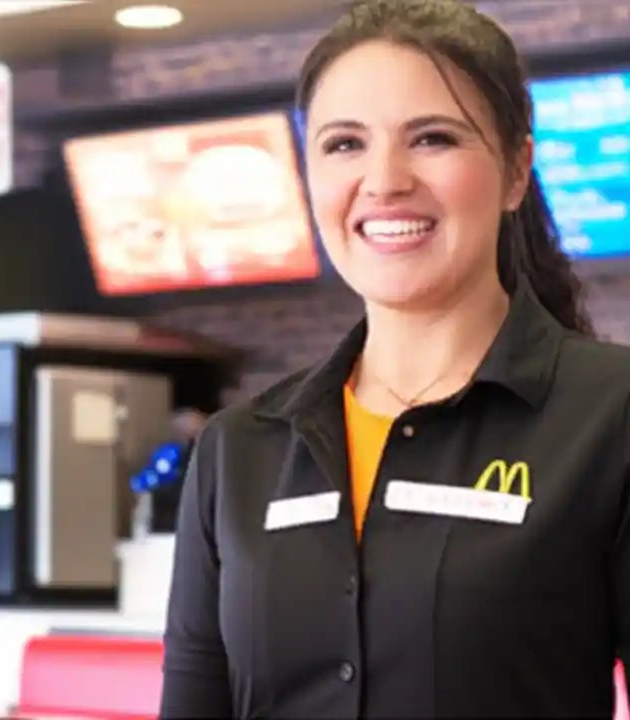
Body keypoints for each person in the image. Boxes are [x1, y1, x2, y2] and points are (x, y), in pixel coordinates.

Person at [161, 0, 630, 717]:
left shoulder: (611, 415)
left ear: (514, 171)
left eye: (433, 138)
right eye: (344, 144)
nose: (383, 181)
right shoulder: (239, 450)